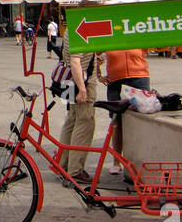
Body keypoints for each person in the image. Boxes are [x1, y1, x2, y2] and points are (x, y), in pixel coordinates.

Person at [58, 11, 99, 182]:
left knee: (71, 120)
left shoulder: (70, 28)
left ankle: (63, 164)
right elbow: (76, 61)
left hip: (66, 81)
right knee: (85, 124)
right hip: (80, 82)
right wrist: (82, 89)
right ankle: (75, 170)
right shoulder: (83, 29)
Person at [103, 46, 150, 165]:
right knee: (116, 121)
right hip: (115, 81)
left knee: (142, 120)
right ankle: (116, 162)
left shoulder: (137, 33)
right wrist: (98, 74)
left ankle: (141, 160)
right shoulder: (110, 36)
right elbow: (93, 53)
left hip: (139, 78)